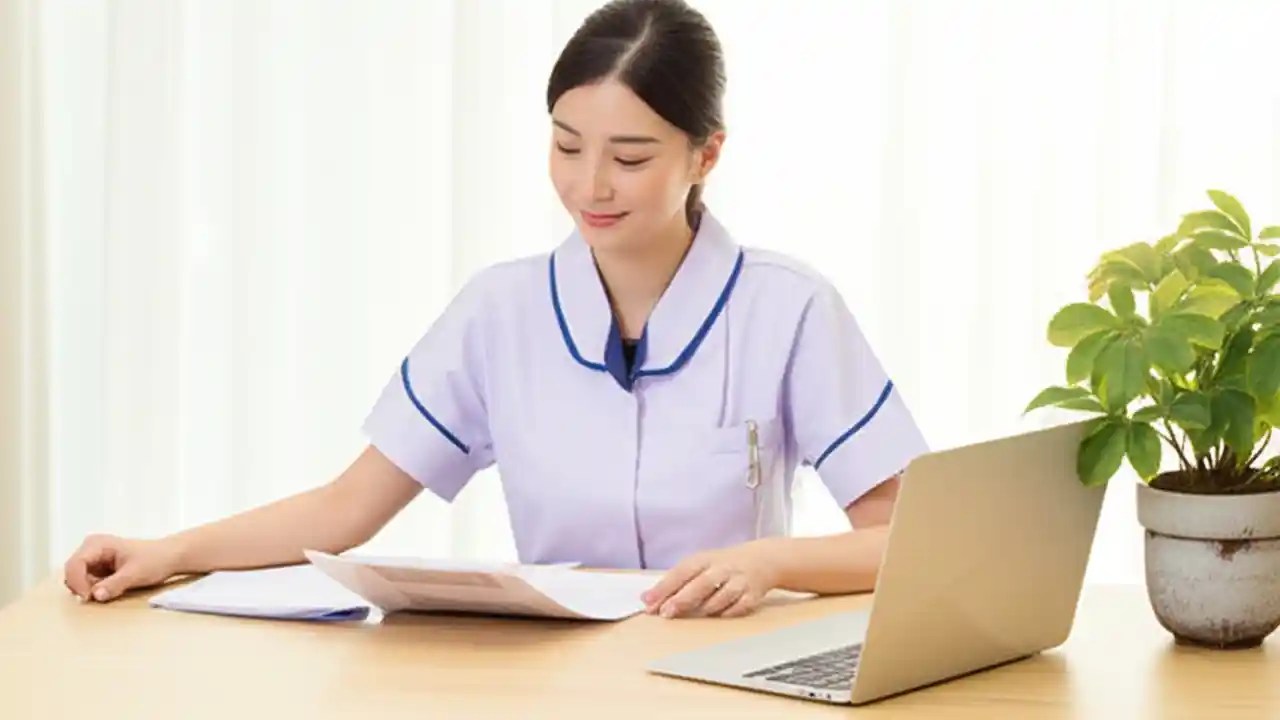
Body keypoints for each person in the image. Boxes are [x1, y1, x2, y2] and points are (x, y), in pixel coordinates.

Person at [62, 0, 928, 620]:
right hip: (544, 685)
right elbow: (343, 510)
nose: (590, 185)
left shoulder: (790, 310)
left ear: (707, 154)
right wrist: (165, 553)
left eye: (629, 156)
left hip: (714, 677)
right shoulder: (499, 312)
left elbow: (908, 541)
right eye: (566, 144)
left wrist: (767, 563)